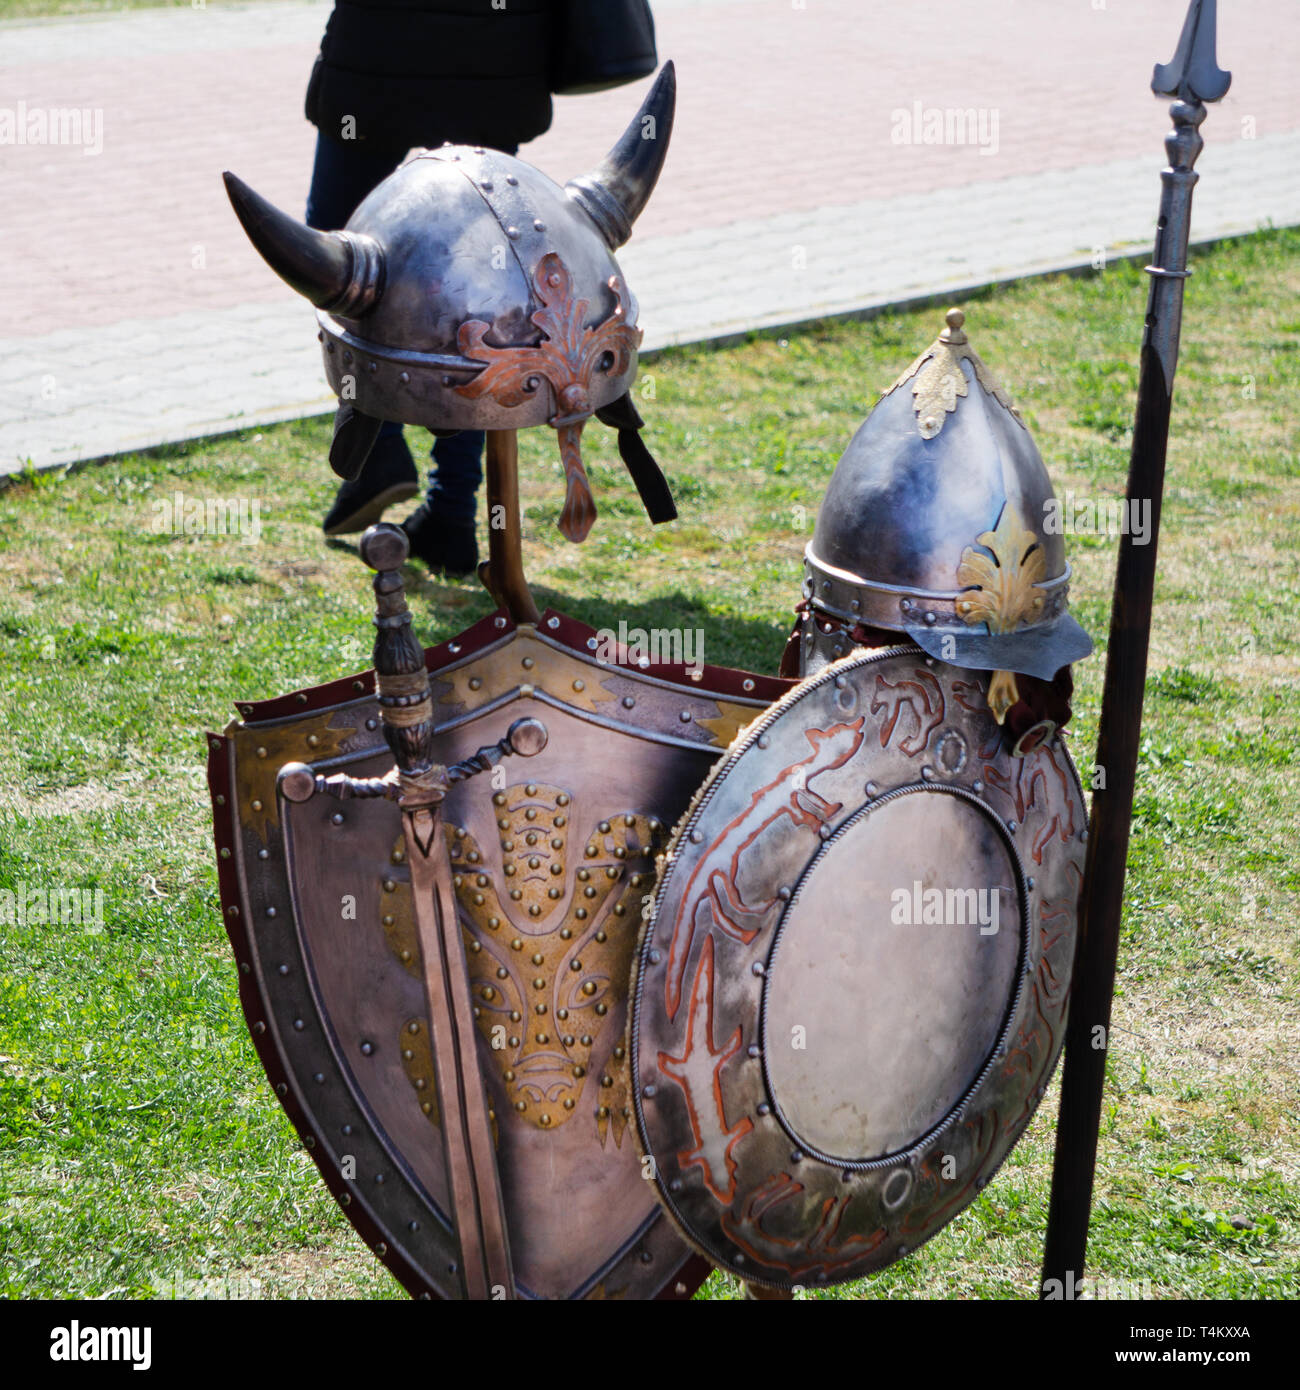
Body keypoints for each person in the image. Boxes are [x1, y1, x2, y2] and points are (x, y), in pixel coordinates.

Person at [304, 0, 556, 574]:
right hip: (495, 53)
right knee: (478, 282)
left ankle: (377, 449)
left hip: (379, 55)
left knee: (338, 257)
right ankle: (451, 510)